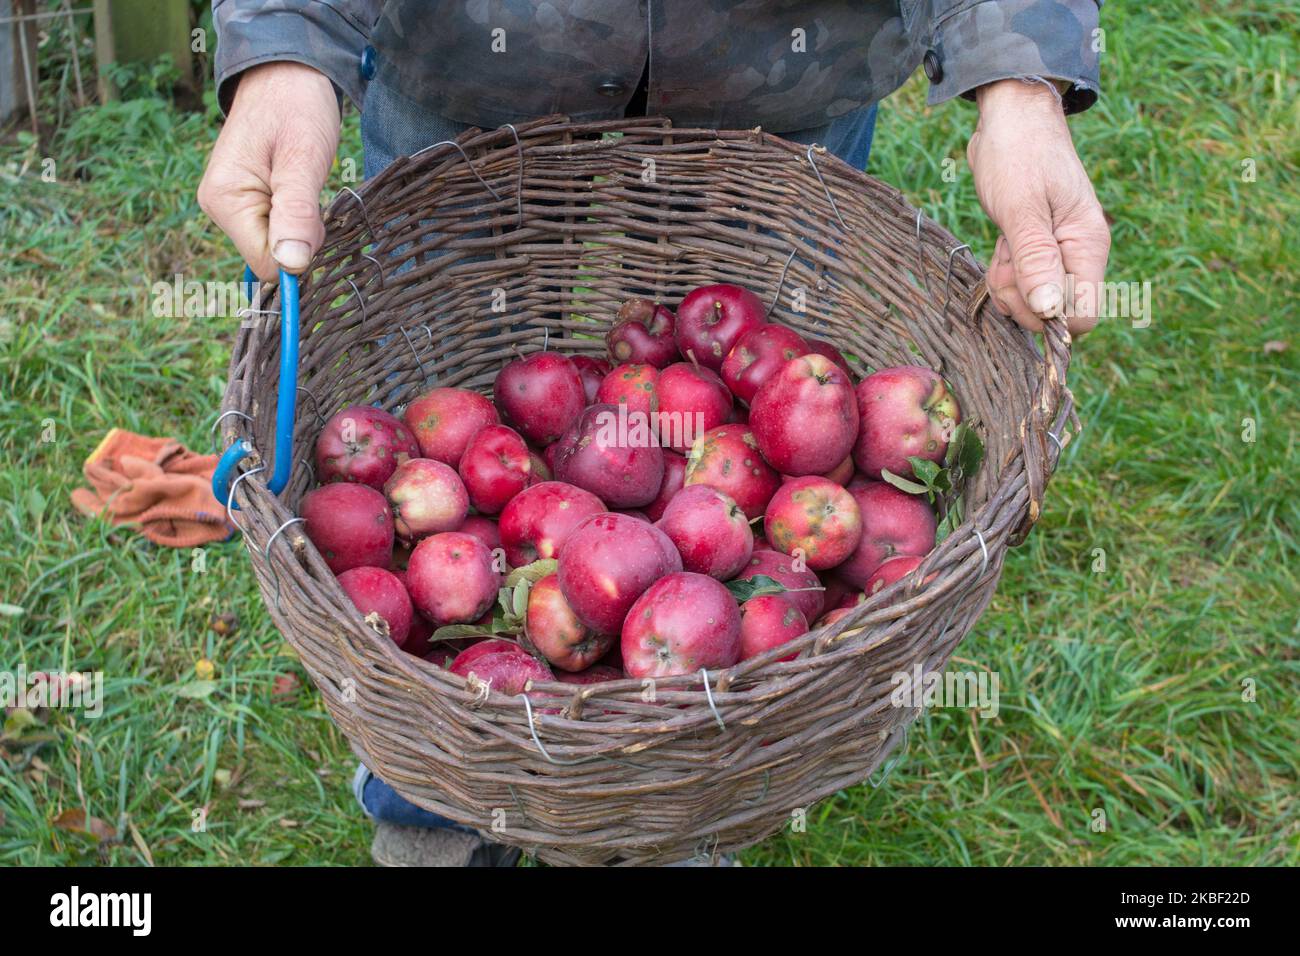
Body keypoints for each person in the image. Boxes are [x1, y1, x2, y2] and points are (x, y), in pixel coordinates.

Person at [198, 0, 1110, 866]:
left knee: (691, 659)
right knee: (433, 659)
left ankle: (680, 804)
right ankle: (432, 808)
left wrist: (1021, 81)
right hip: (477, 53)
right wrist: (287, 43)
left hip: (776, 71)